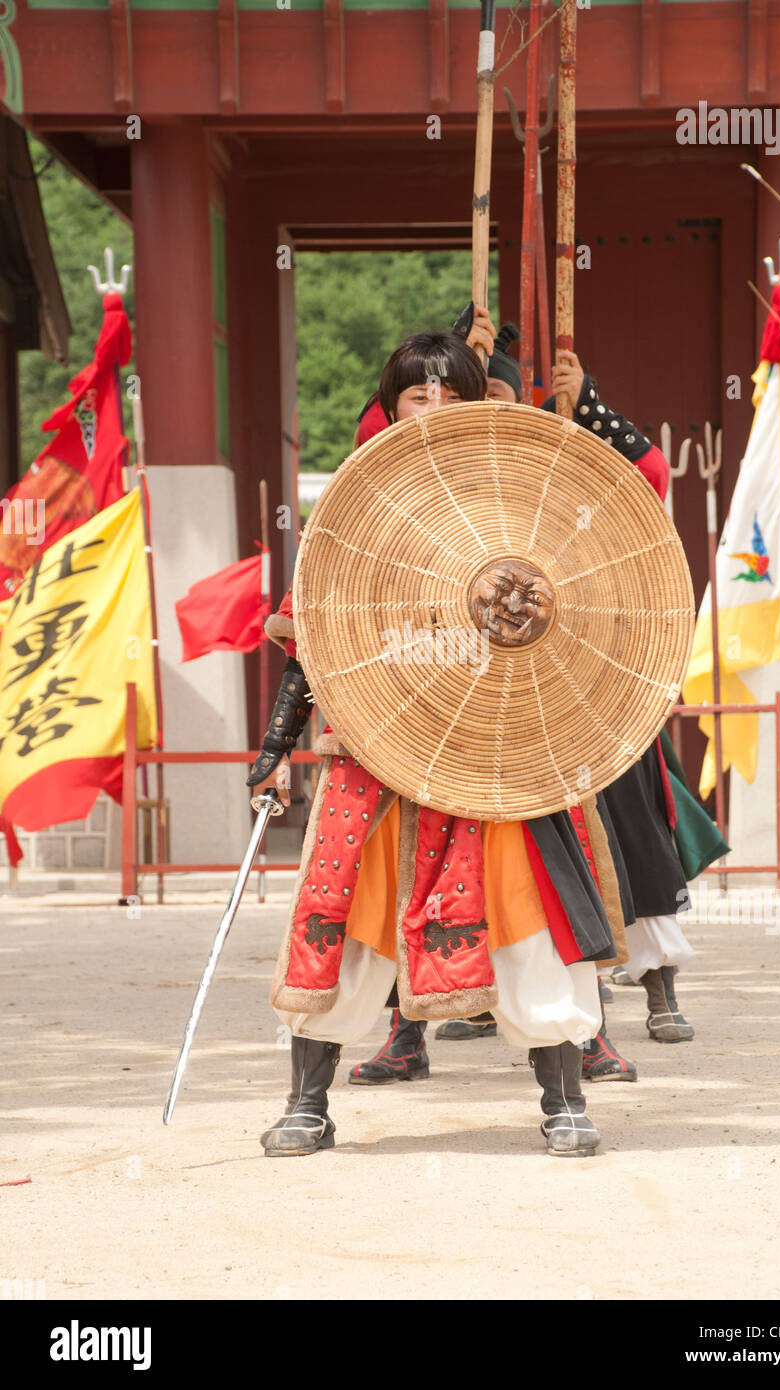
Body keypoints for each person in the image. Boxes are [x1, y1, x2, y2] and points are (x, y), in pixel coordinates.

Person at [250, 325, 631, 1159]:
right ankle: (308, 1101)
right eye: (416, 394)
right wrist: (274, 749)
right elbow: (314, 639)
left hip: (498, 747)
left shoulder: (522, 495)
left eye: (451, 393)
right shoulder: (353, 510)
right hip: (379, 748)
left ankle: (564, 1099)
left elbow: (583, 602)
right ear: (389, 408)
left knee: (532, 927)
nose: (432, 408)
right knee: (345, 923)